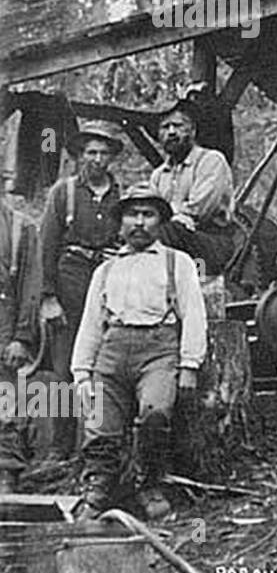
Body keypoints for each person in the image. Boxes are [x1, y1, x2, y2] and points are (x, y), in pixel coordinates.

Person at [70, 186, 207, 521]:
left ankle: (150, 484)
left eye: (148, 215)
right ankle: (98, 490)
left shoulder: (179, 263)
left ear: (159, 222)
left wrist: (190, 364)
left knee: (156, 412)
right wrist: (81, 372)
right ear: (120, 223)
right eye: (133, 215)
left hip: (159, 350)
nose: (139, 223)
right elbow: (91, 323)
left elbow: (194, 314)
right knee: (100, 423)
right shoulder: (105, 270)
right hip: (113, 351)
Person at [37, 121, 126, 459]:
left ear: (111, 158)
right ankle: (60, 448)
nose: (97, 159)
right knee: (64, 366)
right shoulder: (64, 192)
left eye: (104, 153)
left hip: (109, 279)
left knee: (106, 363)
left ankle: (100, 445)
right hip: (70, 277)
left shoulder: (122, 195)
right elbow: (47, 245)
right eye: (91, 152)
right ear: (79, 155)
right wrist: (48, 297)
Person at [149, 99, 236, 277]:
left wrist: (168, 216)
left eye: (178, 126)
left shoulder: (211, 160)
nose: (171, 132)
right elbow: (151, 210)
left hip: (212, 242)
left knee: (168, 231)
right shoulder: (158, 175)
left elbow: (199, 209)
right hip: (173, 237)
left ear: (193, 131)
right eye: (165, 127)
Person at [0, 194, 42, 495]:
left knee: (5, 401)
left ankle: (6, 472)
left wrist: (21, 336)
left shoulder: (20, 227)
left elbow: (31, 284)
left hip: (5, 321)